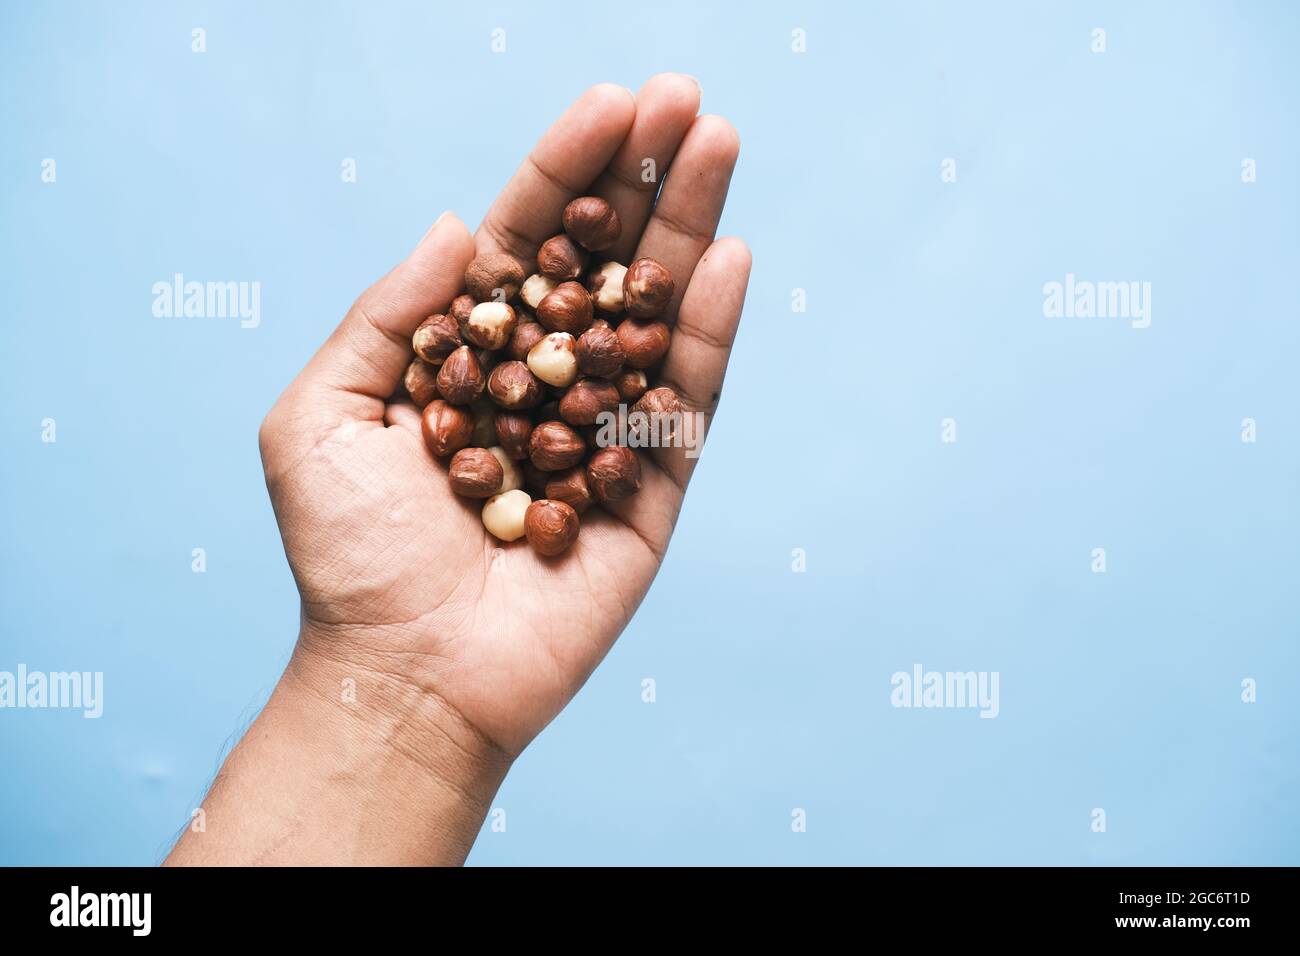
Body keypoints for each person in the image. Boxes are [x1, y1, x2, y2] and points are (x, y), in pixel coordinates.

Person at [165, 75, 749, 866]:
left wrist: (398, 704)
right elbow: (528, 400)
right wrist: (386, 676)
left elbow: (570, 398)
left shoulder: (557, 370)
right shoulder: (504, 376)